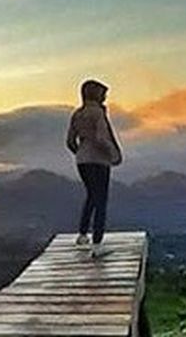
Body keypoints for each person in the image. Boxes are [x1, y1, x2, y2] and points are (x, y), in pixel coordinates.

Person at [65, 78, 122, 258]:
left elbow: (70, 141)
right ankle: (97, 244)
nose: (105, 97)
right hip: (98, 161)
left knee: (91, 196)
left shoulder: (77, 114)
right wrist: (112, 154)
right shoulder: (97, 114)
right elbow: (101, 137)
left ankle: (83, 235)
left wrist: (81, 152)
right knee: (101, 200)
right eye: (103, 94)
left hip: (82, 160)